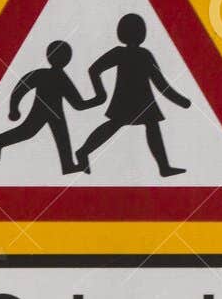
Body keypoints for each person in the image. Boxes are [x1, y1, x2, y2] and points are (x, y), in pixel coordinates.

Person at [74, 13, 191, 177]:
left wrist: (100, 93)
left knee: (142, 125)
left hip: (139, 100)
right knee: (119, 125)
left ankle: (164, 167)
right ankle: (83, 151)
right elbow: (161, 84)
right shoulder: (135, 54)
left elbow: (160, 83)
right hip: (131, 100)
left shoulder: (139, 54)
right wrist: (180, 100)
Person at [0, 40, 103, 174]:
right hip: (43, 111)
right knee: (28, 132)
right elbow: (21, 88)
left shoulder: (51, 75)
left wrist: (14, 107)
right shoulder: (52, 76)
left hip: (55, 113)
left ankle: (68, 165)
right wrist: (98, 99)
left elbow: (77, 104)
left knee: (60, 137)